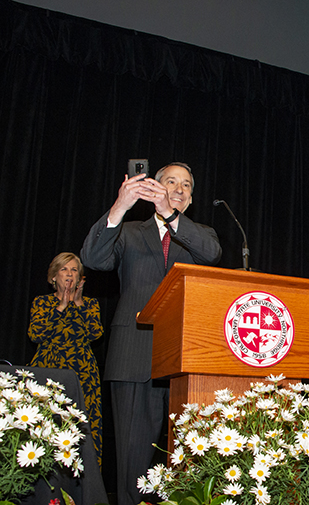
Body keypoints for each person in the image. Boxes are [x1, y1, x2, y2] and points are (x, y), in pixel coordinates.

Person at [80, 162, 221, 505]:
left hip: (188, 360)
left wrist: (171, 217)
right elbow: (93, 257)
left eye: (186, 185)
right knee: (133, 459)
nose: (179, 189)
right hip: (134, 355)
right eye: (171, 181)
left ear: (189, 198)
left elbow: (213, 255)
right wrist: (121, 206)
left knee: (193, 457)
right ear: (152, 189)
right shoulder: (129, 231)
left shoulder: (200, 234)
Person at [28, 252, 104, 466]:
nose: (69, 274)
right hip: (48, 371)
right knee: (46, 427)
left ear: (80, 278)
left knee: (82, 427)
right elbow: (36, 334)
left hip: (82, 373)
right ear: (54, 277)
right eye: (64, 269)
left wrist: (77, 303)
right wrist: (61, 307)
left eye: (74, 270)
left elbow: (95, 333)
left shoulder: (89, 304)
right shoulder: (42, 302)